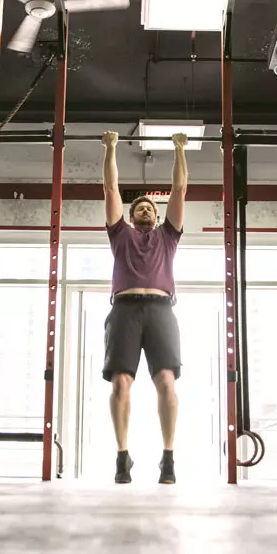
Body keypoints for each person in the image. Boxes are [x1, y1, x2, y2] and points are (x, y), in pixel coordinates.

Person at [101, 130, 188, 485]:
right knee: (121, 383)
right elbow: (110, 189)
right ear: (132, 214)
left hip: (160, 310)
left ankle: (168, 458)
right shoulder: (120, 234)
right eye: (140, 207)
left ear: (158, 215)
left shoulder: (169, 235)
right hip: (124, 310)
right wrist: (111, 149)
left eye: (151, 207)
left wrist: (179, 149)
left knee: (166, 382)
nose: (145, 210)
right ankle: (123, 457)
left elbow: (180, 190)